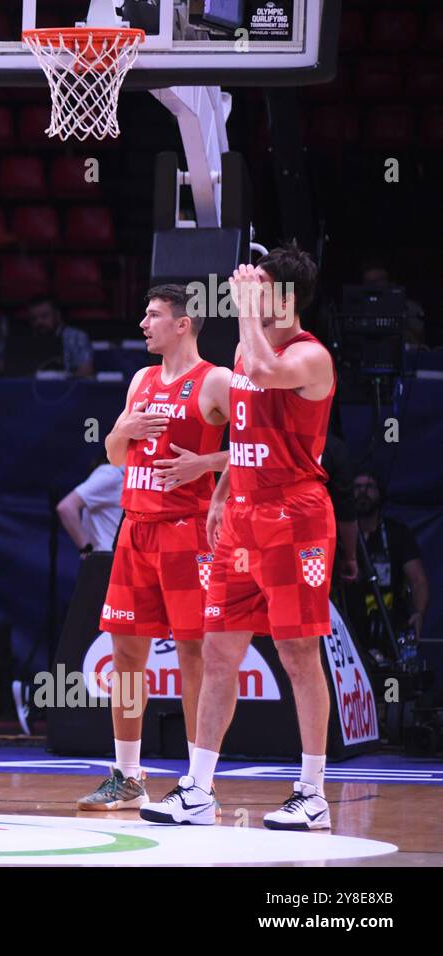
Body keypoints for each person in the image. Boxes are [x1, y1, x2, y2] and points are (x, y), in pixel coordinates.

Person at [142, 242, 347, 831]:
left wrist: (250, 310)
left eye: (260, 288)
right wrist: (224, 492)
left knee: (296, 652)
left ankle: (311, 792)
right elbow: (246, 428)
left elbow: (261, 371)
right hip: (242, 518)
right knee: (219, 651)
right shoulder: (247, 343)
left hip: (295, 517)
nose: (246, 297)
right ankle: (199, 788)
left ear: (284, 298)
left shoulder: (311, 357)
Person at [75, 284, 230, 813]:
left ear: (182, 324)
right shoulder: (141, 379)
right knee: (125, 655)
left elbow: (262, 448)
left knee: (194, 655)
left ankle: (199, 783)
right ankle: (127, 775)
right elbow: (116, 455)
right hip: (135, 528)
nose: (143, 323)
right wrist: (124, 427)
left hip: (188, 533)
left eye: (153, 315)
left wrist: (202, 466)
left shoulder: (217, 380)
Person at [352, 472, 429, 658]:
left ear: (381, 494)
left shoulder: (397, 533)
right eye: (357, 487)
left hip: (390, 626)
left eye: (369, 487)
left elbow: (418, 580)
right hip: (349, 627)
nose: (363, 492)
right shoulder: (339, 534)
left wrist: (419, 613)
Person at [1, 296, 94, 378]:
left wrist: (60, 377)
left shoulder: (76, 336)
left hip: (64, 390)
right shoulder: (26, 339)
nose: (39, 322)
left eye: (44, 316)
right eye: (34, 318)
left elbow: (86, 371)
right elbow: (5, 368)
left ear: (57, 315)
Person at [57, 458, 124, 554]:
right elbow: (66, 507)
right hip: (105, 561)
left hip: (121, 560)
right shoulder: (112, 474)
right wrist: (87, 551)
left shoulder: (132, 477)